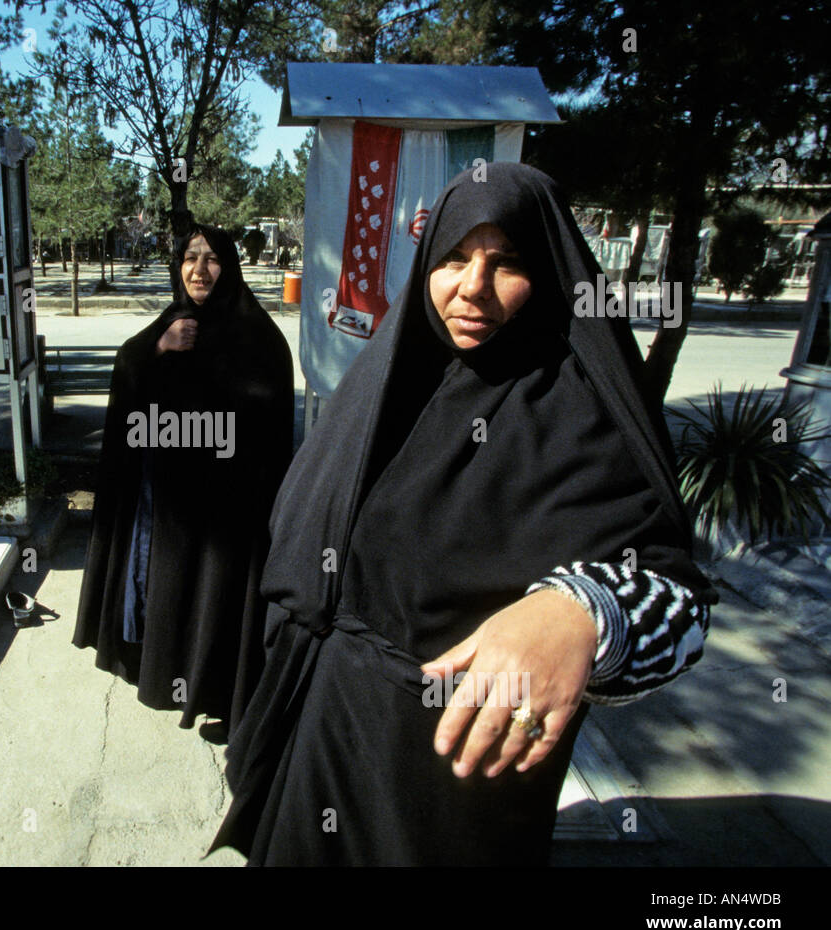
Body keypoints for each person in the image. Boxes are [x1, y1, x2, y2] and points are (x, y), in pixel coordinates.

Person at [211, 163, 716, 865]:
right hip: (323, 742)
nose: (472, 286)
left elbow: (680, 602)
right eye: (453, 258)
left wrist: (580, 612)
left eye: (506, 262)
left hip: (451, 789)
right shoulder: (393, 379)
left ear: (548, 272)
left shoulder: (577, 416)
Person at [72, 223, 294, 737]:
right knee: (174, 599)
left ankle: (221, 698)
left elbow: (265, 428)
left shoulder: (257, 337)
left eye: (212, 258)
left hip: (227, 512)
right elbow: (128, 372)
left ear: (230, 267)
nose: (199, 269)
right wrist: (158, 348)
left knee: (217, 603)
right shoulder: (172, 323)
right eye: (190, 258)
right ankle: (170, 679)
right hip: (169, 506)